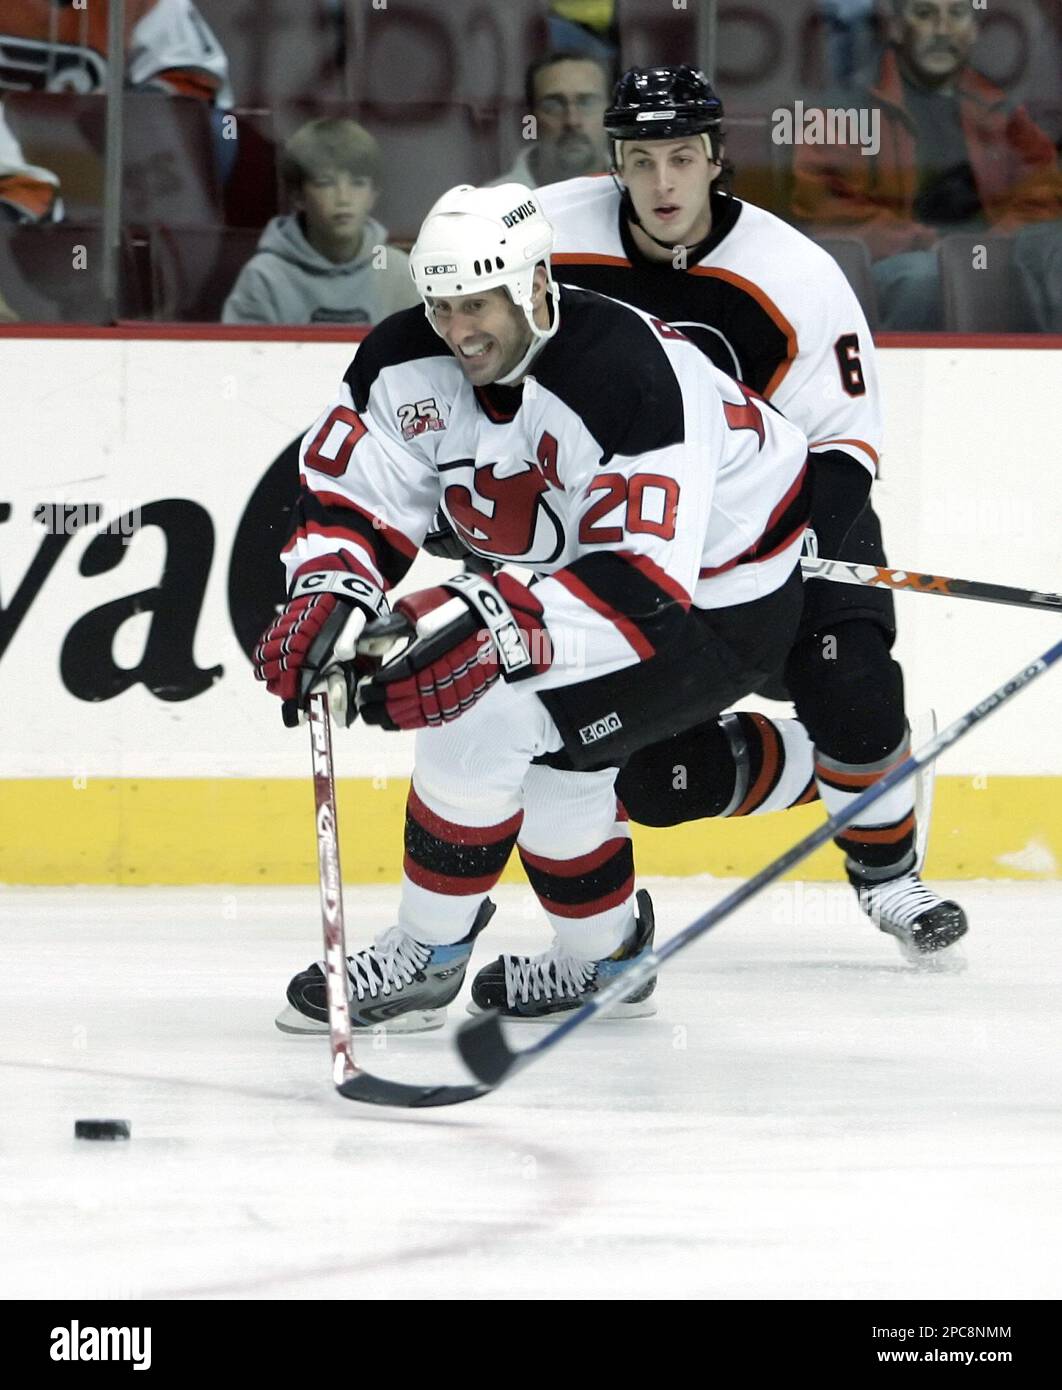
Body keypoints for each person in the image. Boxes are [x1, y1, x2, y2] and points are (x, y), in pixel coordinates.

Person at [430, 65, 967, 958]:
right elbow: (459, 323)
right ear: (616, 164)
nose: (664, 183)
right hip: (627, 537)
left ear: (717, 159)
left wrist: (790, 543)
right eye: (642, 161)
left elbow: (842, 450)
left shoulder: (793, 273)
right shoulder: (547, 233)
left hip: (786, 521)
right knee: (649, 780)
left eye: (683, 158)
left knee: (855, 694)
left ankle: (889, 876)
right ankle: (818, 767)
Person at [253, 181, 815, 1030]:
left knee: (481, 720)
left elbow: (638, 586)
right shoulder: (404, 360)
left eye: (477, 304)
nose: (457, 329)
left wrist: (490, 626)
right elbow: (356, 500)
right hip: (584, 583)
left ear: (534, 286)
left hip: (714, 604)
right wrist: (331, 586)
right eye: (441, 305)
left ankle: (427, 957)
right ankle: (608, 962)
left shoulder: (626, 374)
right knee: (556, 783)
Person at [792, 0, 1062, 329]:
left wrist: (988, 246)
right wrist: (932, 245)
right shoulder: (843, 112)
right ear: (895, 28)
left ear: (974, 30)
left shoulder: (1001, 112)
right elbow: (828, 213)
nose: (942, 29)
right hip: (898, 263)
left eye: (957, 14)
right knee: (925, 276)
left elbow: (1043, 200)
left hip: (985, 256)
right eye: (924, 13)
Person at [0, 0, 231, 222]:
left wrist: (128, 113)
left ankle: (142, 250)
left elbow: (195, 78)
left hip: (96, 157)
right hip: (11, 161)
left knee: (216, 128)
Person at [223, 117, 419, 326]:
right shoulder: (264, 277)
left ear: (373, 195)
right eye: (326, 183)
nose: (343, 198)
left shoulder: (398, 272)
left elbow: (423, 354)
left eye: (357, 183)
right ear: (298, 196)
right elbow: (245, 356)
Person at [490, 51, 612, 189]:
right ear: (530, 118)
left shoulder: (637, 194)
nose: (572, 121)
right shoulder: (488, 207)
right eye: (553, 106)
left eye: (587, 103)